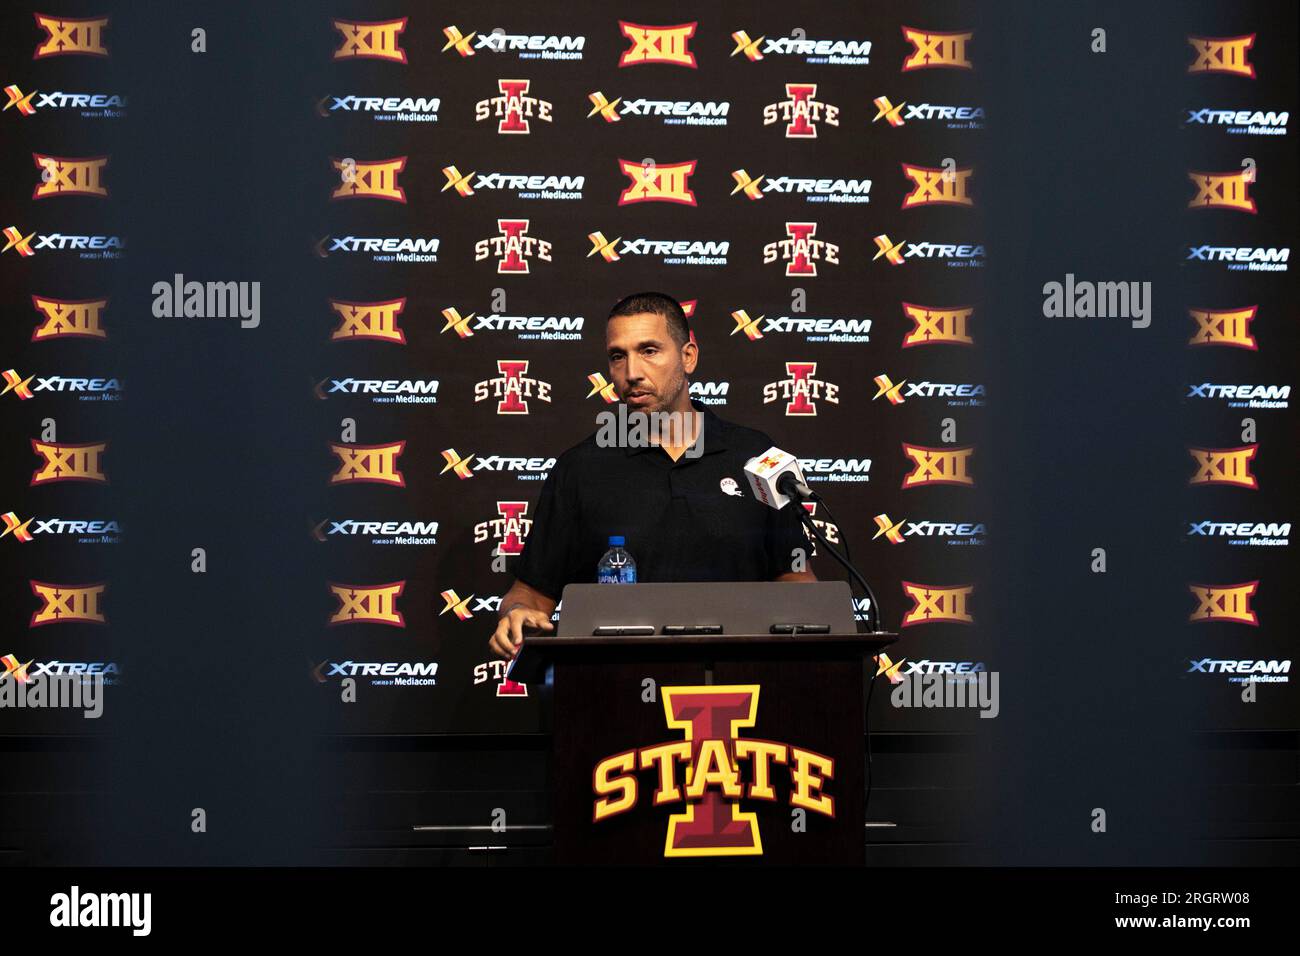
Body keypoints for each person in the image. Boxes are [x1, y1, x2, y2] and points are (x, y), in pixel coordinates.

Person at [488, 291, 816, 660]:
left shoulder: (755, 456)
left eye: (649, 351)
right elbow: (531, 592)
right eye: (617, 356)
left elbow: (795, 579)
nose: (632, 373)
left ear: (688, 356)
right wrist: (517, 614)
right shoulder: (581, 468)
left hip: (739, 682)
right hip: (614, 683)